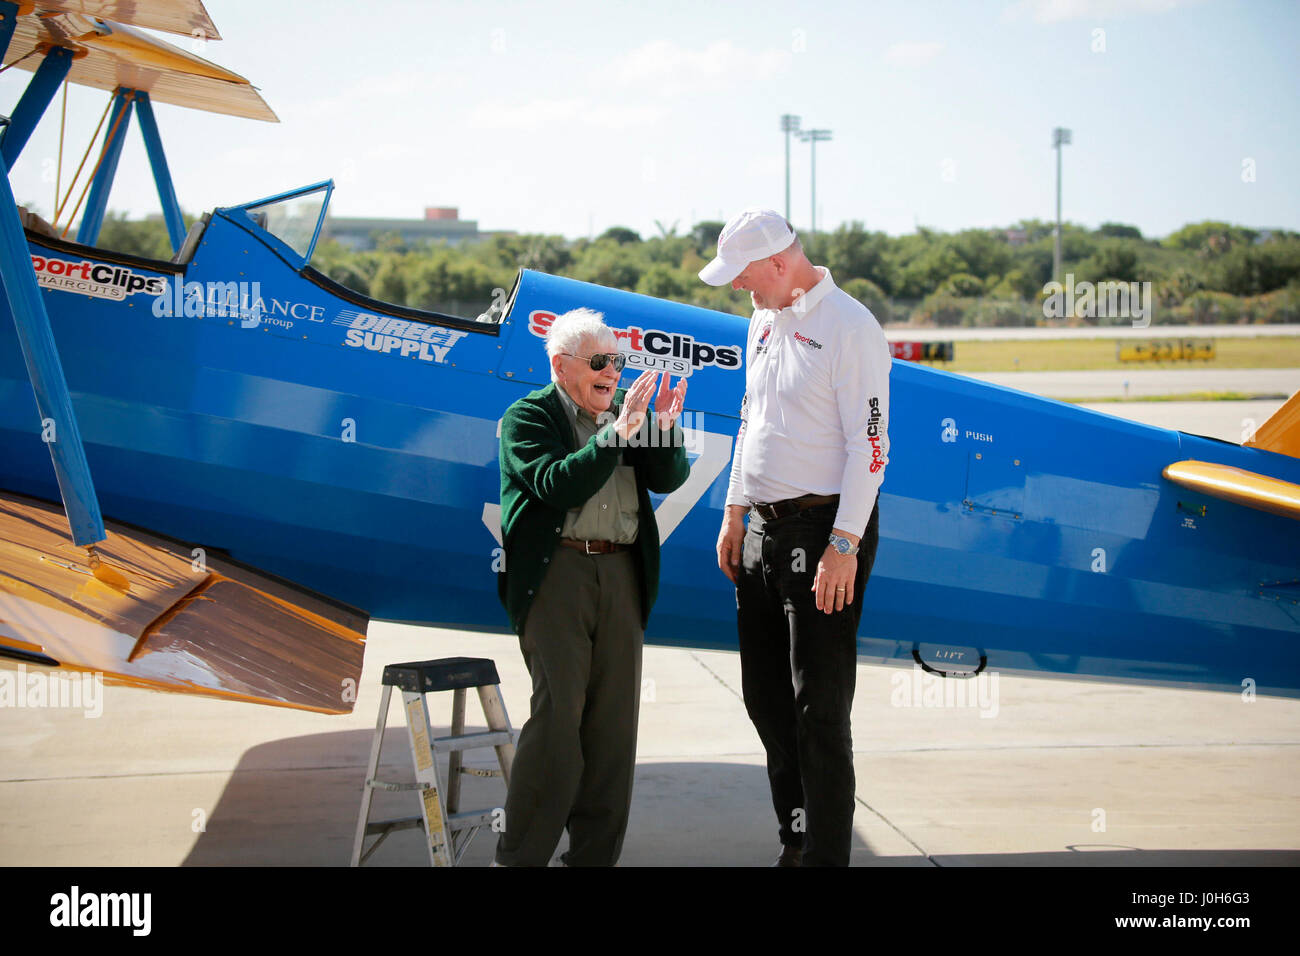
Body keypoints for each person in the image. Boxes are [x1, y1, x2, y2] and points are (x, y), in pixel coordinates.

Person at [701, 208, 891, 867]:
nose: (736, 289)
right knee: (765, 700)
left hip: (824, 529)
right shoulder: (764, 317)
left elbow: (871, 450)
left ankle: (826, 858)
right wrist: (733, 508)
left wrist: (843, 545)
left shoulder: (849, 328)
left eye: (744, 277)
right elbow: (753, 417)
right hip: (760, 527)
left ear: (781, 265)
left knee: (819, 712)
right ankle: (797, 837)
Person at [494, 307, 689, 866]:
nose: (613, 371)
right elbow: (556, 485)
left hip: (622, 573)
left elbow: (666, 478)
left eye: (618, 361)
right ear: (560, 364)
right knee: (558, 724)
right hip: (559, 577)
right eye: (600, 361)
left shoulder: (621, 413)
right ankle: (519, 856)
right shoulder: (528, 417)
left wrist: (665, 430)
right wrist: (620, 433)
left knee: (612, 729)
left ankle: (593, 858)